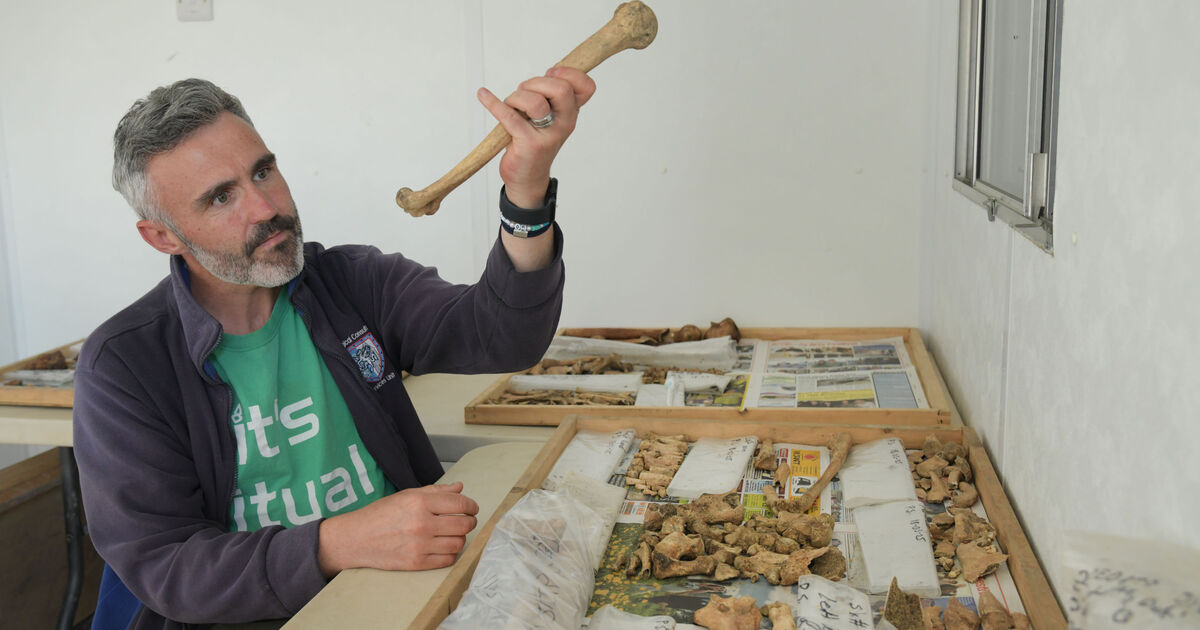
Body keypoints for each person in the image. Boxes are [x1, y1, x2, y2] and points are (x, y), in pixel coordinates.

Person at [73, 68, 595, 629]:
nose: (264, 207)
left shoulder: (351, 281)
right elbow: (170, 568)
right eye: (221, 197)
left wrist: (526, 191)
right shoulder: (122, 365)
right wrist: (337, 543)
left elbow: (502, 336)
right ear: (163, 236)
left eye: (263, 171)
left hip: (412, 598)